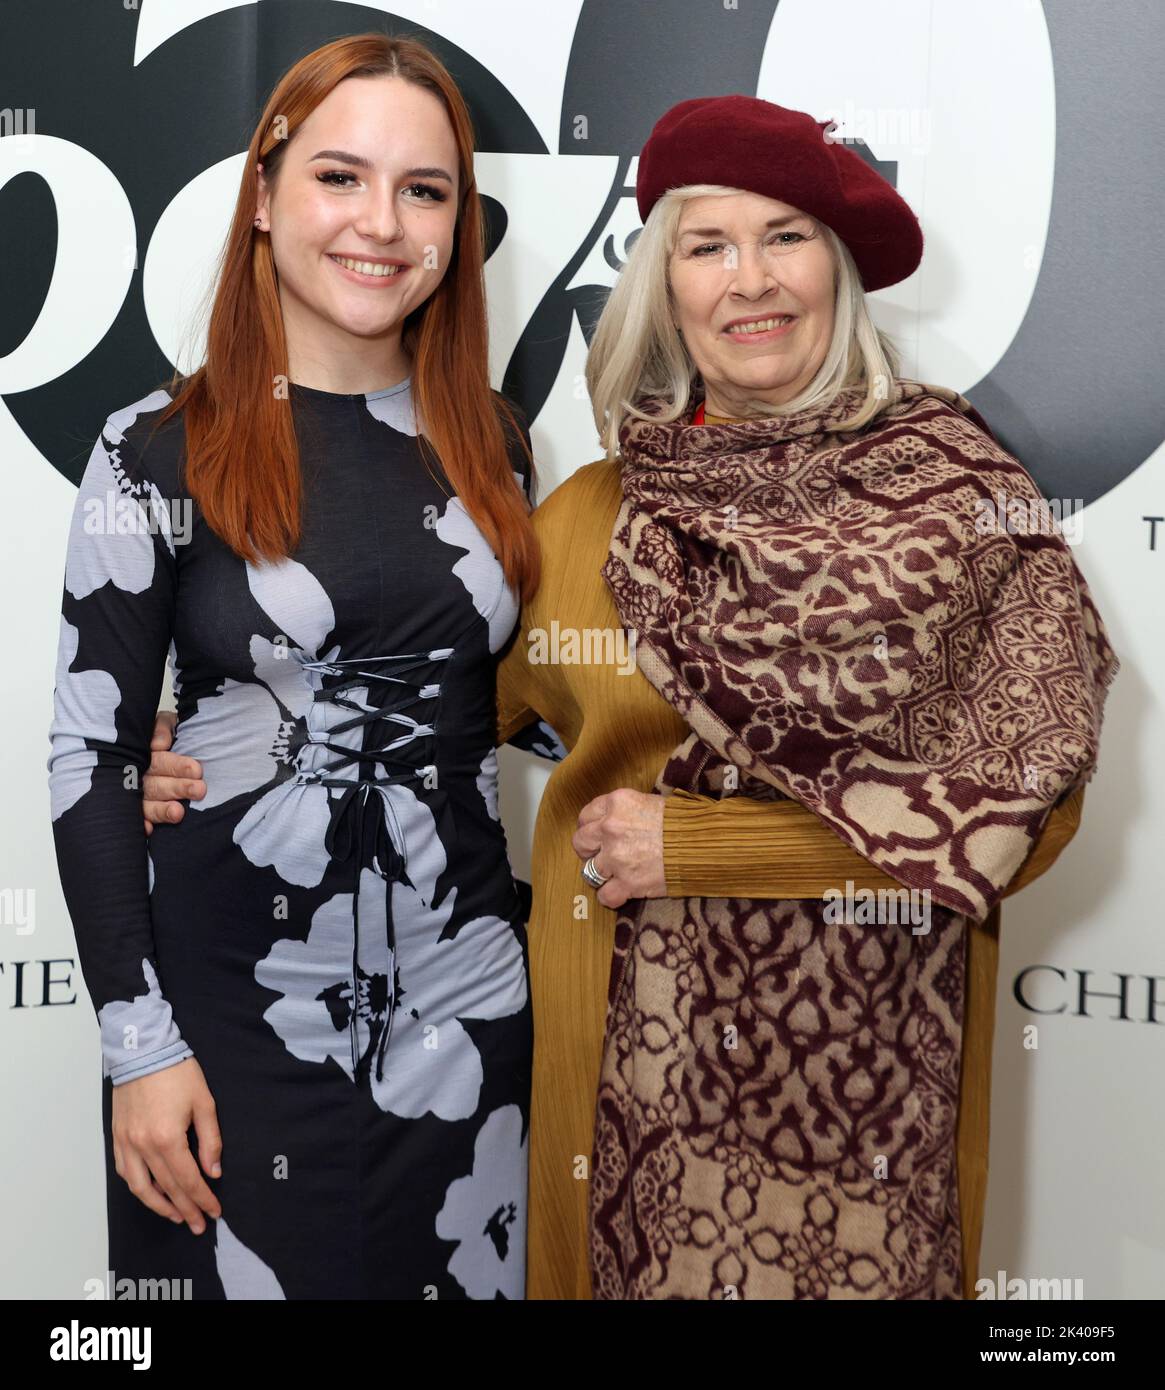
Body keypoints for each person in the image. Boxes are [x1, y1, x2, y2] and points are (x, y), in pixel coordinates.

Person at [144, 96, 1112, 1299]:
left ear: (841, 271)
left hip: (863, 1133)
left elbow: (1031, 814)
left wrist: (710, 844)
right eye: (706, 245)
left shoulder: (963, 501)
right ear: (666, 284)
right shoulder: (600, 513)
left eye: (786, 236)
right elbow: (431, 707)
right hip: (612, 1088)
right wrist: (219, 739)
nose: (748, 280)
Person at [47, 33, 540, 1300]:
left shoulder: (493, 441)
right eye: (340, 177)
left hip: (466, 1016)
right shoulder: (155, 448)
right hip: (226, 1030)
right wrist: (137, 1046)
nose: (382, 223)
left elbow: (523, 711)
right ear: (264, 198)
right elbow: (88, 757)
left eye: (423, 190)